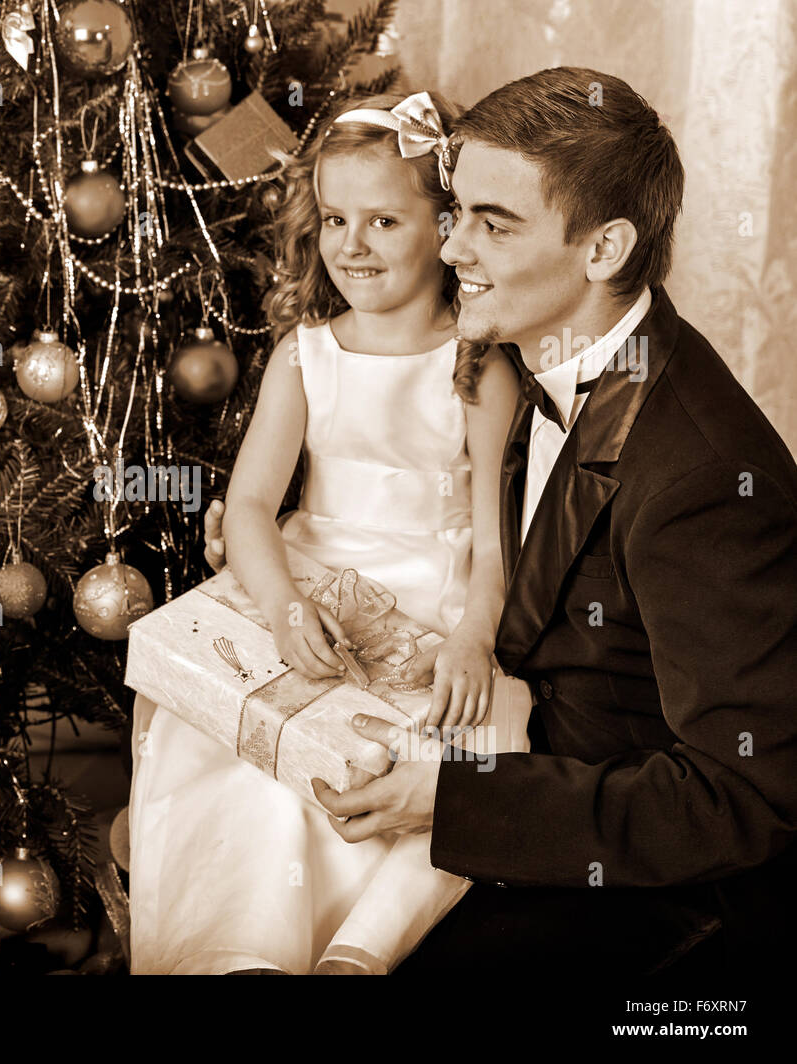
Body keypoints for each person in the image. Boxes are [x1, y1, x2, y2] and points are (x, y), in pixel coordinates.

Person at [208, 67, 797, 974]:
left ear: (602, 250)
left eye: (495, 222)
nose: (451, 252)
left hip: (641, 887)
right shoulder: (520, 364)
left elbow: (743, 798)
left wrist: (453, 803)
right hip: (495, 752)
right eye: (456, 214)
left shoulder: (707, 479)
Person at [128, 92, 533, 975]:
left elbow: (502, 541)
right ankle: (239, 952)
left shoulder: (478, 363)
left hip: (435, 585)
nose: (352, 245)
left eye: (385, 219)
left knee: (438, 743)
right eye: (336, 220)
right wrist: (280, 609)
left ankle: (357, 948)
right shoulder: (305, 352)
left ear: (447, 226)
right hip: (308, 574)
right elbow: (248, 507)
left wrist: (472, 635)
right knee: (232, 749)